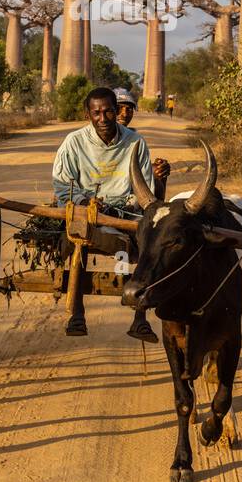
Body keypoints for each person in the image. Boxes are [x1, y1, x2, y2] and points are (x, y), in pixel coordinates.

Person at [52, 86, 165, 342]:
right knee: (77, 236)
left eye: (108, 112)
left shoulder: (135, 143)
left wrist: (122, 204)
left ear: (117, 112)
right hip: (84, 211)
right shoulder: (74, 142)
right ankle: (77, 313)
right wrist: (83, 200)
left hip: (125, 213)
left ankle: (139, 318)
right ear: (88, 115)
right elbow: (62, 185)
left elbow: (144, 188)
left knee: (148, 242)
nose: (102, 119)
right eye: (96, 113)